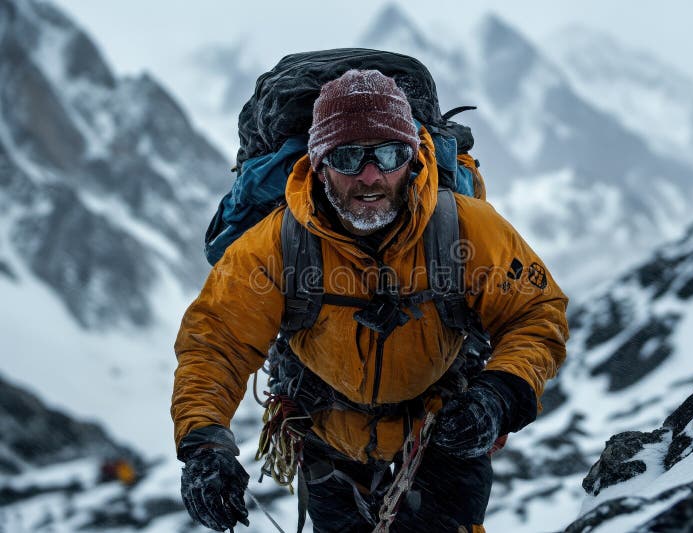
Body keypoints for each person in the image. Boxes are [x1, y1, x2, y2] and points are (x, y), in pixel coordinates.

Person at [172, 68, 569, 533]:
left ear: (414, 157)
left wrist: (499, 396)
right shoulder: (276, 245)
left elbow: (534, 314)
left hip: (445, 437)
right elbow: (217, 341)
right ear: (318, 163)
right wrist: (204, 443)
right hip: (329, 451)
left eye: (389, 154)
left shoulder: (466, 229)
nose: (370, 175)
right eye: (347, 157)